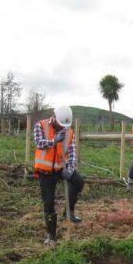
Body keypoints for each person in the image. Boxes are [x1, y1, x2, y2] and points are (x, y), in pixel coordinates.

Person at [33, 105, 85, 245]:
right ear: (54, 117)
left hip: (61, 169)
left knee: (78, 182)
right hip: (46, 172)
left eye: (65, 126)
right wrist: (55, 140)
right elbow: (39, 143)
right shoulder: (41, 125)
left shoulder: (69, 131)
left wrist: (70, 168)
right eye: (61, 124)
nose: (63, 128)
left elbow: (72, 152)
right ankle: (51, 234)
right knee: (49, 202)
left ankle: (69, 211)